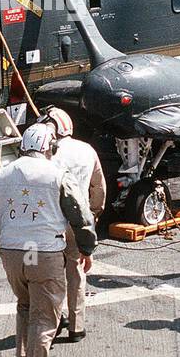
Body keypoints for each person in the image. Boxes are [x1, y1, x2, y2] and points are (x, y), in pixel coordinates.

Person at [0, 123, 97, 357]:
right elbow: (81, 215)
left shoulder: (1, 174)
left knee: (25, 306)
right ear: (48, 148)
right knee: (44, 317)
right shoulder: (58, 175)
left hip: (13, 253)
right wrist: (87, 248)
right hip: (46, 253)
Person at [40, 107, 105, 342]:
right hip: (80, 220)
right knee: (76, 272)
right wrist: (93, 215)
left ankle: (55, 320)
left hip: (53, 221)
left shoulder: (48, 153)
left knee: (52, 275)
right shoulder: (87, 150)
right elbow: (98, 186)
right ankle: (77, 326)